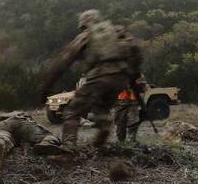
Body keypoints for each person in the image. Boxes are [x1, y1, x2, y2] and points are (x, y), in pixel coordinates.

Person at [41, 10, 142, 150]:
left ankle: (68, 148)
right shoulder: (118, 31)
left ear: (85, 23)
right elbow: (136, 48)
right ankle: (104, 131)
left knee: (72, 110)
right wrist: (133, 73)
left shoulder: (87, 35)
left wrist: (46, 87)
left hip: (100, 75)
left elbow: (62, 62)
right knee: (101, 106)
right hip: (121, 77)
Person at [0, 111, 65, 157]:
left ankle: (1, 141)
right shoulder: (21, 114)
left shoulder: (0, 119)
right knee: (44, 135)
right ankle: (47, 141)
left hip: (3, 124)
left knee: (1, 136)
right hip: (23, 121)